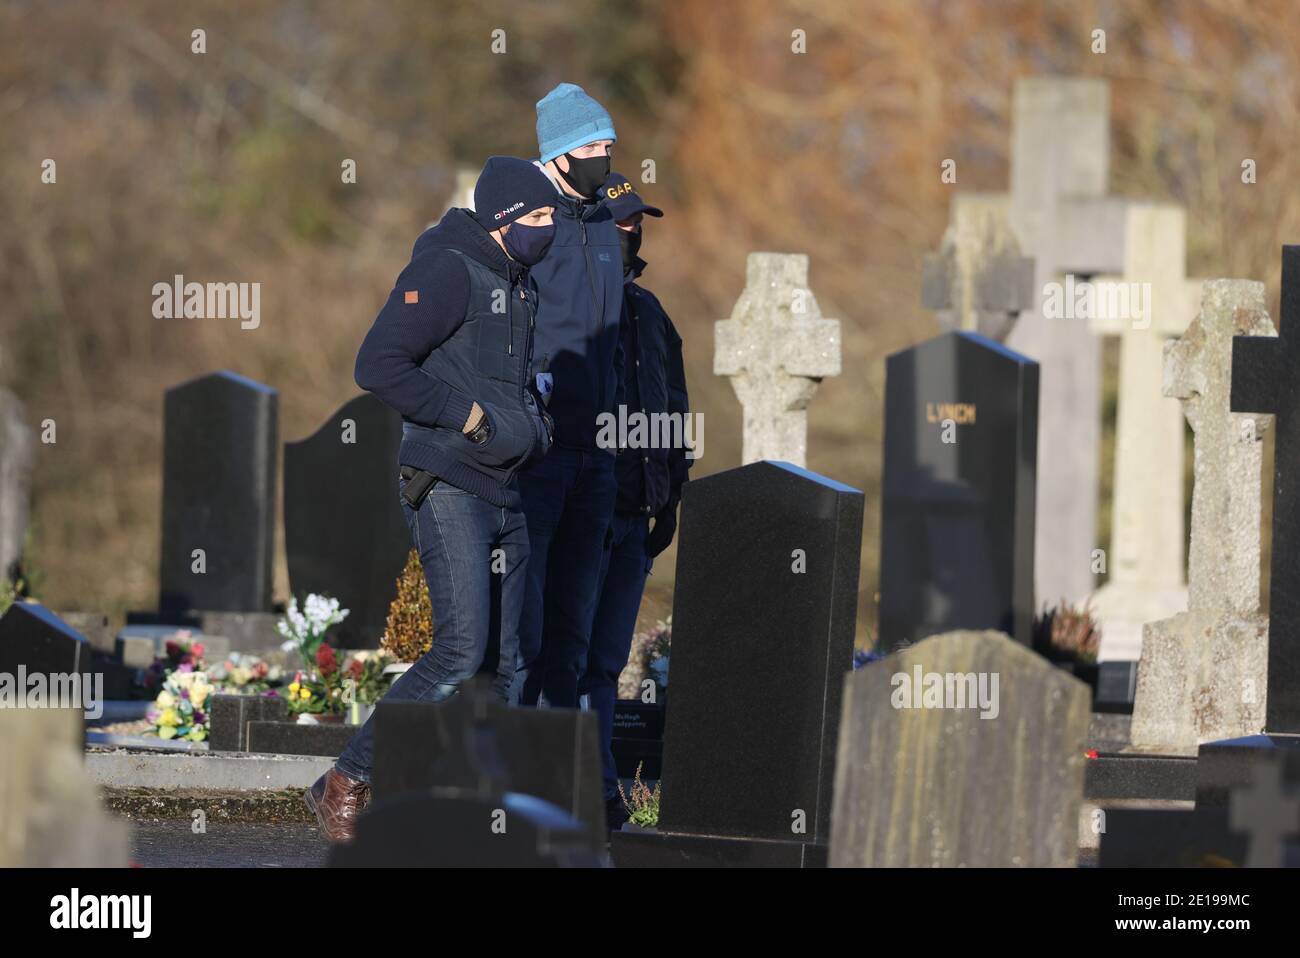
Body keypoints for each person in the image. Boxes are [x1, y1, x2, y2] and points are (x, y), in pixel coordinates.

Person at [305, 156, 558, 842]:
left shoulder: (521, 284)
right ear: (504, 220)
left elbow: (510, 380)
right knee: (459, 648)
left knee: (512, 660)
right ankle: (345, 780)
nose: (551, 229)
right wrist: (466, 415)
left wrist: (536, 420)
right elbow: (378, 363)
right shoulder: (446, 269)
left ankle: (481, 806)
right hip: (449, 481)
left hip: (509, 487)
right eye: (539, 218)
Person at [581, 173, 691, 829]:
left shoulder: (650, 313)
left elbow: (674, 408)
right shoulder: (568, 306)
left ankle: (595, 792)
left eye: (637, 220)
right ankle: (558, 790)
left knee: (604, 662)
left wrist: (670, 495)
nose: (630, 229)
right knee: (559, 658)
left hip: (633, 516)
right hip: (580, 511)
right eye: (619, 219)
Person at [513, 83, 626, 708]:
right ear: (556, 154)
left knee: (572, 633)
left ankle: (560, 788)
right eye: (590, 146)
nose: (602, 157)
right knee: (522, 633)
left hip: (597, 453)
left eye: (608, 144)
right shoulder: (530, 219)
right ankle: (501, 792)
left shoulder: (607, 222)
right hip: (541, 450)